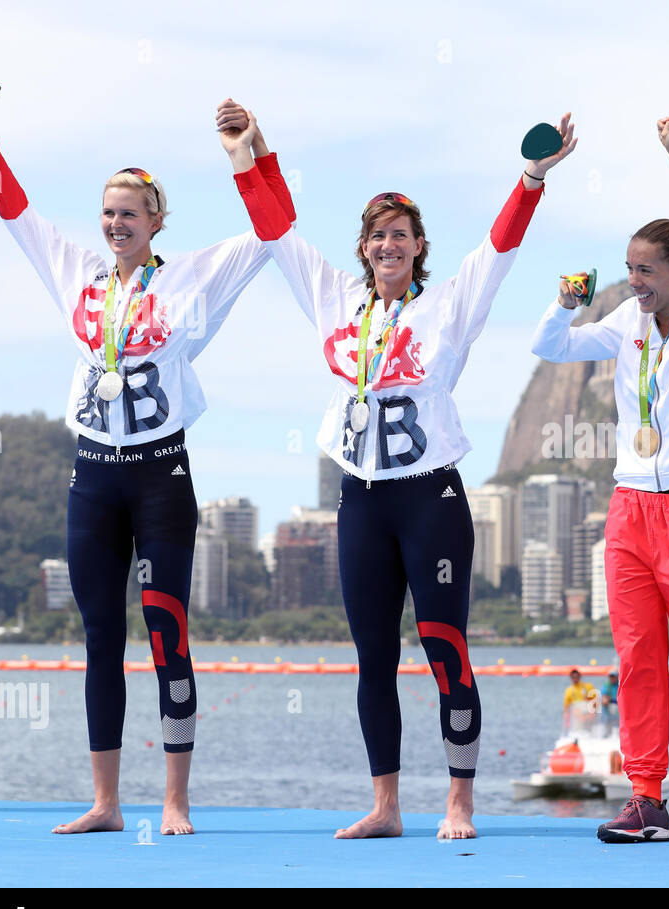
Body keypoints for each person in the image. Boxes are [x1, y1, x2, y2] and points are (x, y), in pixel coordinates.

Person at [227, 107, 575, 841]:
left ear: (419, 248)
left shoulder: (448, 306)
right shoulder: (337, 299)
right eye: (378, 234)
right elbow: (279, 232)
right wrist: (248, 154)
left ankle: (459, 802)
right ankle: (385, 806)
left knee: (444, 643)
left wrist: (533, 176)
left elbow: (501, 246)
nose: (389, 244)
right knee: (372, 658)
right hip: (361, 498)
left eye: (401, 234)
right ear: (365, 247)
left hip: (430, 497)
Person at [0, 91, 293, 835]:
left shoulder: (192, 280)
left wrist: (248, 154)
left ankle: (175, 799)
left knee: (167, 632)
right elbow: (14, 212)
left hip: (160, 476)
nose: (116, 225)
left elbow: (275, 231)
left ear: (156, 221)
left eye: (130, 214)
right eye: (108, 213)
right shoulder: (76, 273)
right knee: (98, 637)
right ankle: (107, 803)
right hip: (93, 476)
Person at [532, 115, 669, 843]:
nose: (635, 279)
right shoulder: (627, 319)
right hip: (630, 511)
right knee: (637, 660)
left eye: (647, 269)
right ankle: (647, 794)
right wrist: (567, 299)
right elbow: (549, 344)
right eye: (630, 268)